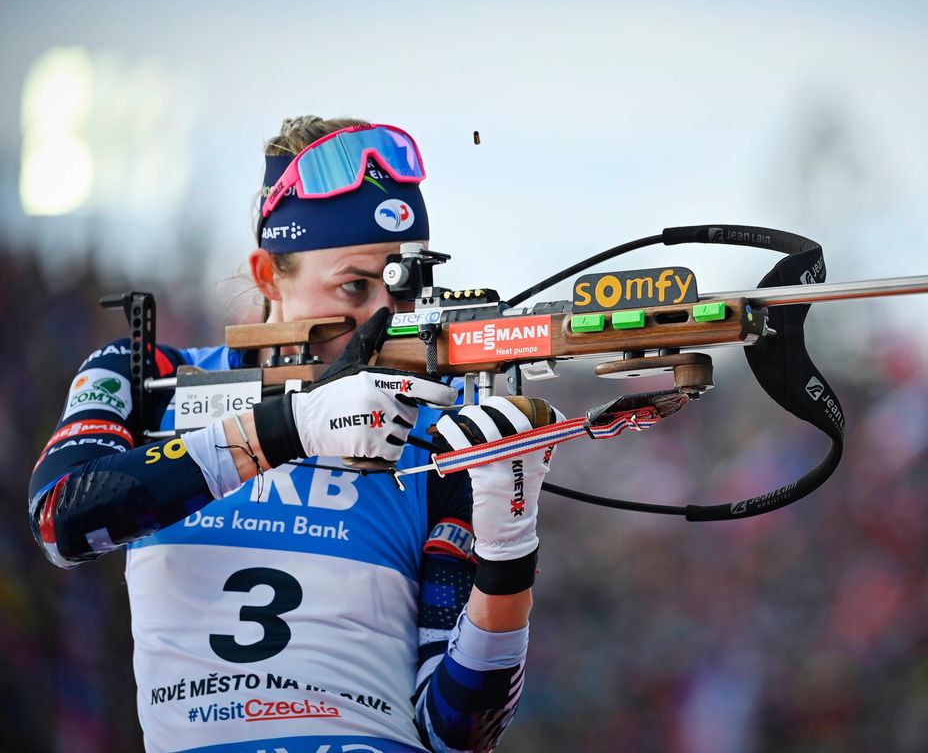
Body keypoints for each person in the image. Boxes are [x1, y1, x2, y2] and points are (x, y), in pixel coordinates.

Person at [28, 116, 555, 753]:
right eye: (354, 286)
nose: (383, 320)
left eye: (404, 287)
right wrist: (289, 429)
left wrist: (508, 554)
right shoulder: (153, 379)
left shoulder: (436, 420)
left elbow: (457, 733)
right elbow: (61, 519)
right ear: (266, 274)